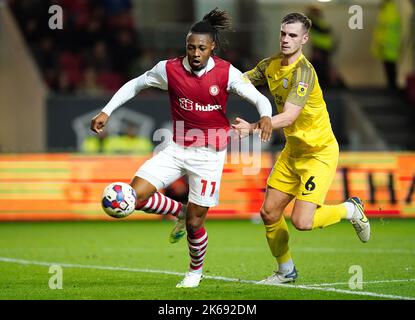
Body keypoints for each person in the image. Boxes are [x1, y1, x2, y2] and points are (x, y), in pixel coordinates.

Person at [90, 8, 273, 288]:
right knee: (133, 198)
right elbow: (135, 84)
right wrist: (107, 111)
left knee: (195, 224)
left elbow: (259, 98)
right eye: (191, 47)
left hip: (209, 155)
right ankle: (179, 209)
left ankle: (194, 271)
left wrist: (265, 117)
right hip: (176, 148)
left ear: (212, 47)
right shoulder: (169, 69)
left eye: (201, 48)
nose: (196, 53)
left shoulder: (227, 73)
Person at [232, 12, 371, 284]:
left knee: (302, 222)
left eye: (293, 35)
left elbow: (288, 117)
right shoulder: (269, 65)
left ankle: (350, 210)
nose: (286, 39)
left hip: (318, 153)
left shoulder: (304, 73)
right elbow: (238, 82)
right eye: (283, 33)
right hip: (293, 152)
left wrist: (252, 127)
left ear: (304, 39)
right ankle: (286, 271)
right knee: (269, 212)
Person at [371, 0, 401, 90]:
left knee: (390, 68)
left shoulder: (388, 11)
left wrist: (382, 43)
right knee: (389, 68)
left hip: (388, 45)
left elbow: (386, 30)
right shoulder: (387, 10)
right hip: (387, 45)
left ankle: (392, 88)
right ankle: (392, 87)